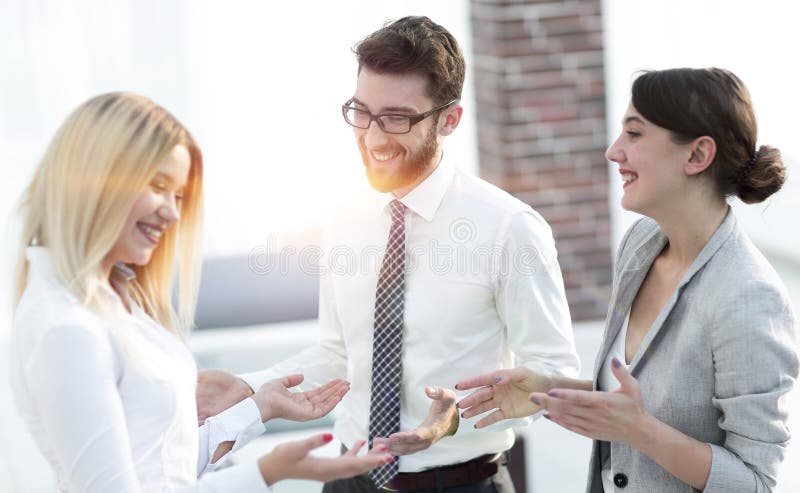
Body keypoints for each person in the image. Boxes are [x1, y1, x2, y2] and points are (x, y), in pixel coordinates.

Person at [196, 16, 580, 493]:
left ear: (450, 119)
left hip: (461, 484)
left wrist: (457, 417)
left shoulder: (509, 228)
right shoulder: (345, 213)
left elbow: (557, 375)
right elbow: (340, 352)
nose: (373, 137)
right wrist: (252, 388)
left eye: (397, 118)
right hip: (348, 477)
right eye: (362, 112)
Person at [8, 91, 392, 492]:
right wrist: (268, 471)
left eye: (178, 196)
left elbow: (163, 467)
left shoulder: (113, 302)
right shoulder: (69, 329)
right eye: (158, 186)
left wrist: (257, 410)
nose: (173, 213)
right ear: (93, 179)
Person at [456, 67, 799, 492]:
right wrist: (549, 389)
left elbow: (756, 482)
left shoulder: (749, 296)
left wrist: (640, 432)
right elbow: (645, 400)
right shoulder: (641, 244)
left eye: (634, 135)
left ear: (696, 156)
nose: (614, 152)